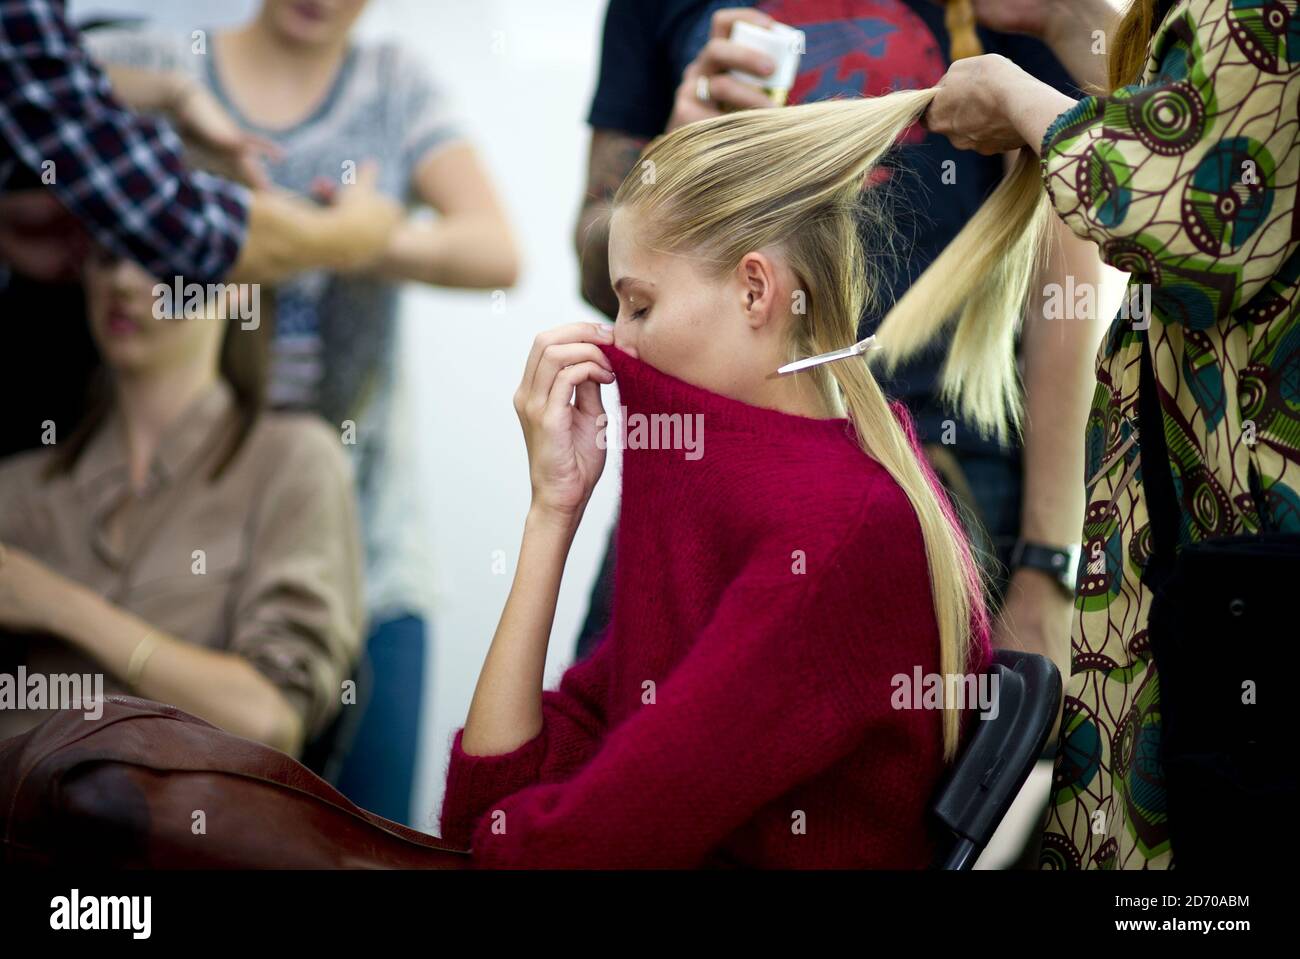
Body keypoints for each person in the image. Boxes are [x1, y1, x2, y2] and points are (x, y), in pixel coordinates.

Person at [437, 86, 1054, 867]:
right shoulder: (734, 489)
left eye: (638, 305)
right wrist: (551, 511)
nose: (610, 343)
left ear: (755, 289)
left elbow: (559, 846)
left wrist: (496, 828)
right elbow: (496, 808)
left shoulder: (832, 531)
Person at [571, 0, 1108, 691]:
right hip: (701, 480)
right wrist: (667, 169)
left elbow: (1063, 245)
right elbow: (597, 272)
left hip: (941, 485)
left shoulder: (1002, 8)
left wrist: (1049, 563)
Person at [84, 0, 520, 822]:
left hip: (364, 545)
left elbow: (497, 248)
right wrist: (339, 234)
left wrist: (364, 237)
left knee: (364, 837)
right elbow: (40, 90)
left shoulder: (396, 83)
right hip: (185, 546)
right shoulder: (166, 62)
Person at [922, 0, 1300, 868]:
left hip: (1258, 584)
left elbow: (1189, 200)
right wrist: (1064, 22)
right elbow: (1198, 121)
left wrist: (1020, 101)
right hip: (1211, 572)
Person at [0, 245, 364, 756]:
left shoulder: (292, 461)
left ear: (239, 283)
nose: (122, 282)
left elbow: (268, 721)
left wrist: (56, 605)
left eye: (156, 255)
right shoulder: (16, 490)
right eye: (105, 256)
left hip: (191, 828)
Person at [0, 0, 402, 290]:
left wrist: (175, 93)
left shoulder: (395, 82)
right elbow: (186, 231)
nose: (126, 282)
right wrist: (347, 235)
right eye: (112, 255)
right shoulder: (147, 49)